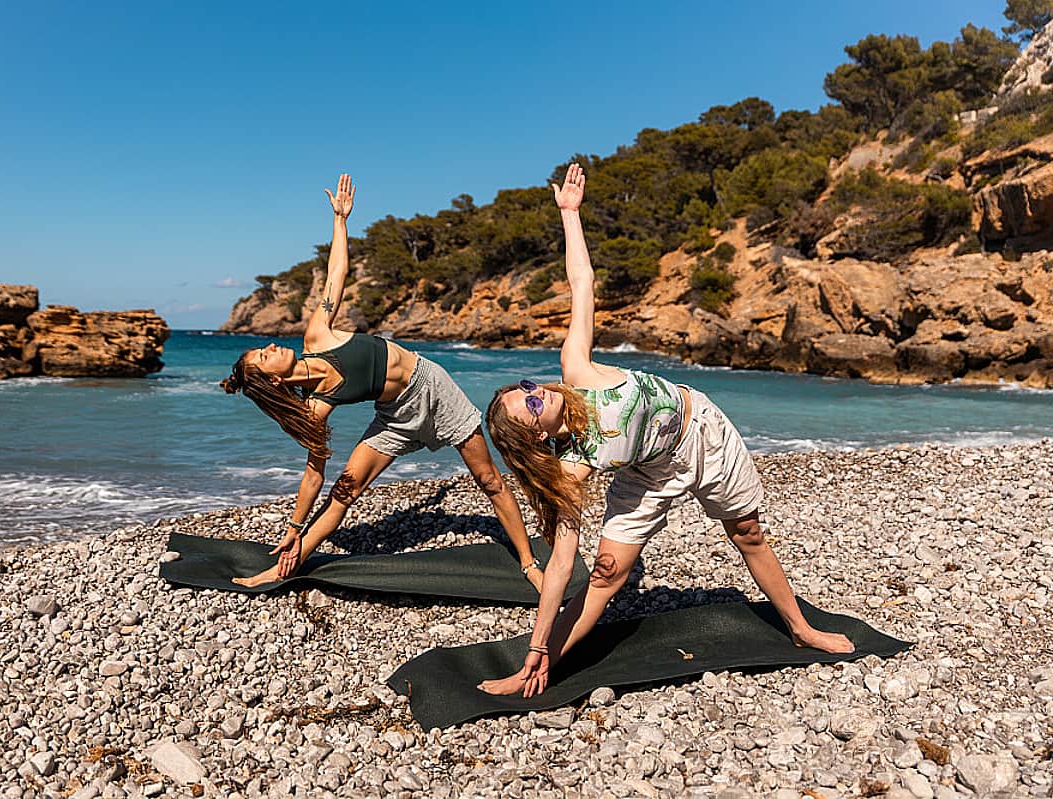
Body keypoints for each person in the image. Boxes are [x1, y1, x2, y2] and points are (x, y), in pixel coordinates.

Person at [479, 163, 853, 697]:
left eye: (527, 386)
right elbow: (562, 564)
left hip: (702, 432)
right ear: (537, 437)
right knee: (606, 574)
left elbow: (581, 283)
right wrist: (535, 645)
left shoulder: (576, 370)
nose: (539, 391)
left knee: (746, 532)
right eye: (530, 405)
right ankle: (541, 668)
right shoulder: (573, 467)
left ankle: (800, 627)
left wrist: (570, 215)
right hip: (648, 472)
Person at [221, 173, 544, 590]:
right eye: (263, 357)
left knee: (489, 480)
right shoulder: (316, 406)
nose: (269, 346)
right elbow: (313, 476)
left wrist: (340, 221)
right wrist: (295, 527)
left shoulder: (317, 335)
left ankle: (527, 562)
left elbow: (336, 273)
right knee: (343, 492)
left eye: (263, 348)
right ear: (273, 383)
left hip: (434, 389)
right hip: (395, 417)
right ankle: (286, 566)